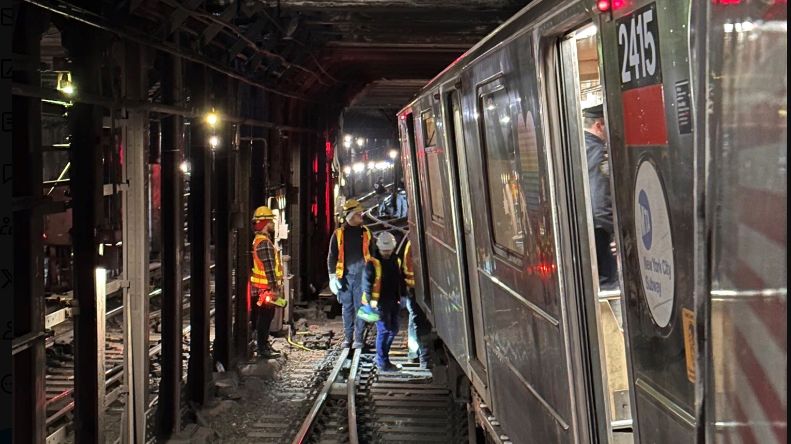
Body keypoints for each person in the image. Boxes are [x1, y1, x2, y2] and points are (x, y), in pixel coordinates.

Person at [327, 199, 376, 348]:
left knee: (361, 307)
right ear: (350, 215)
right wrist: (332, 276)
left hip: (362, 276)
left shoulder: (366, 233)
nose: (361, 215)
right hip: (345, 277)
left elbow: (373, 255)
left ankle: (358, 339)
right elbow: (332, 256)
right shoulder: (338, 234)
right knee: (347, 308)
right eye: (358, 213)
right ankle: (348, 338)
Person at [583, 104, 618, 290]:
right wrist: (617, 232)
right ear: (599, 125)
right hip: (601, 234)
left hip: (585, 231)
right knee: (609, 287)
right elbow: (600, 203)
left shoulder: (579, 147)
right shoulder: (598, 152)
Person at [361, 232, 403, 372]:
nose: (386, 253)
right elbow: (367, 284)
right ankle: (382, 362)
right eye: (384, 251)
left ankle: (382, 358)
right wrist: (370, 302)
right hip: (379, 302)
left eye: (389, 250)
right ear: (379, 248)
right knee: (384, 330)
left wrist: (403, 295)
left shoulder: (395, 260)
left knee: (393, 329)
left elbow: (399, 279)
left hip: (393, 300)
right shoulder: (372, 263)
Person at [250, 205, 287, 359]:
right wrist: (274, 288)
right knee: (265, 318)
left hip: (262, 287)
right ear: (264, 223)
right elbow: (269, 268)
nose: (272, 224)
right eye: (270, 221)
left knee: (265, 317)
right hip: (265, 288)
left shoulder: (259, 240)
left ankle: (263, 345)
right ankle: (263, 348)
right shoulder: (264, 243)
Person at [401, 239, 431, 369]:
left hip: (414, 289)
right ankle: (423, 357)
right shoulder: (413, 245)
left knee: (414, 320)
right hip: (415, 290)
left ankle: (414, 353)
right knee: (419, 322)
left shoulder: (411, 244)